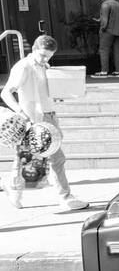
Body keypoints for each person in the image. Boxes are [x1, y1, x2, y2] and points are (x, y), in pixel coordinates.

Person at [1, 35, 88, 211]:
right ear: (33, 49)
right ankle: (63, 196)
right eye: (42, 54)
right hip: (33, 118)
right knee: (43, 157)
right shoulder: (24, 66)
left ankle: (16, 187)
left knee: (35, 157)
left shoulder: (43, 65)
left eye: (49, 55)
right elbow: (6, 93)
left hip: (46, 116)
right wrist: (20, 111)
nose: (45, 58)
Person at [94, 0, 119, 78]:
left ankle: (104, 72)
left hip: (108, 31)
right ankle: (118, 72)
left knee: (103, 50)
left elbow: (105, 20)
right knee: (117, 51)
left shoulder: (105, 4)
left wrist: (102, 28)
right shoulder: (118, 4)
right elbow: (115, 17)